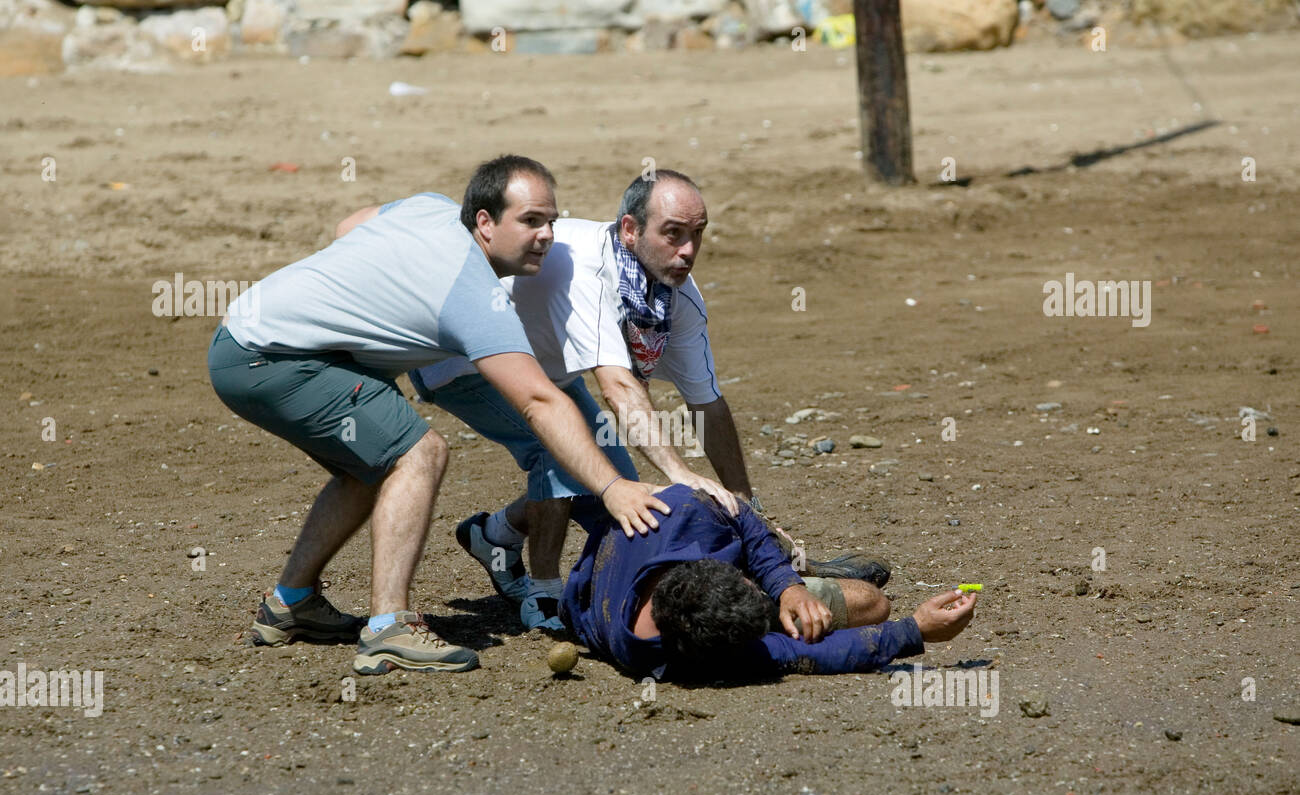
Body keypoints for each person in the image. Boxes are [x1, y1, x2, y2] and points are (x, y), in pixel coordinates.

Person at [208, 155, 670, 676]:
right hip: (273, 357)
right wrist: (612, 488)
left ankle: (291, 603)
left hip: (246, 340)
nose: (545, 236)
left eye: (551, 222)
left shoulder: (431, 207)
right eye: (531, 221)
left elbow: (350, 225)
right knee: (418, 453)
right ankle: (389, 628)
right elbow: (539, 401)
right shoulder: (473, 296)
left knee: (367, 466)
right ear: (485, 222)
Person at [405, 170, 753, 632]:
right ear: (630, 229)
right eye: (673, 233)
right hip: (460, 364)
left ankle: (494, 534)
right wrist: (681, 474)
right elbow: (618, 387)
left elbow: (707, 403)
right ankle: (544, 594)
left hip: (543, 371)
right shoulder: (582, 267)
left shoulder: (677, 295)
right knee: (560, 450)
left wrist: (746, 508)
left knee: (615, 484)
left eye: (697, 234)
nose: (688, 250)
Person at [559, 484, 978, 682]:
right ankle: (803, 570)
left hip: (631, 556)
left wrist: (784, 586)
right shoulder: (686, 658)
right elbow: (798, 653)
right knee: (872, 603)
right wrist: (914, 630)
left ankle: (795, 569)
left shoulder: (679, 512)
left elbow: (739, 514)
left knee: (849, 597)